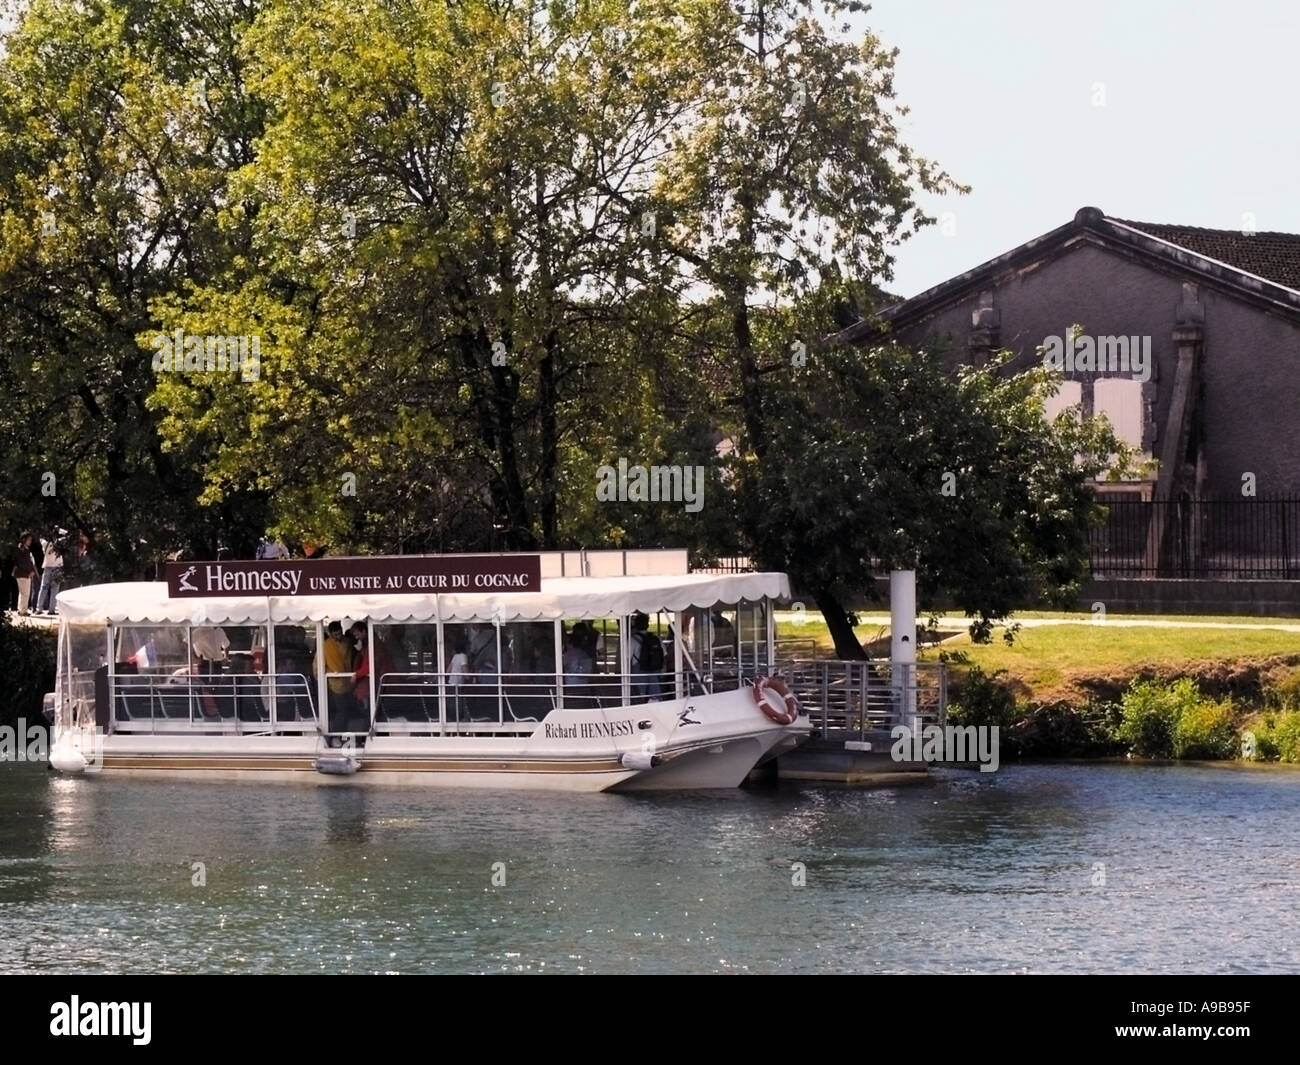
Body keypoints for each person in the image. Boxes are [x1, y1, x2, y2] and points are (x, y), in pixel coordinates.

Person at [318, 620, 355, 737]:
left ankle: (344, 734)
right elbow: (318, 664)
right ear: (330, 634)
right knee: (341, 711)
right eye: (336, 634)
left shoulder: (347, 642)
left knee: (347, 710)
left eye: (340, 633)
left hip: (348, 682)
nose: (339, 636)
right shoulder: (326, 645)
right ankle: (336, 735)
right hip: (334, 683)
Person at [351, 622, 394, 719]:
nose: (356, 638)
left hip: (379, 682)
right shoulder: (372, 644)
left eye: (357, 634)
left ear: (364, 631)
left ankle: (370, 731)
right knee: (375, 711)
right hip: (379, 682)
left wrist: (357, 674)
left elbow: (370, 665)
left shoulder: (374, 646)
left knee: (372, 712)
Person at [191, 624, 231, 720]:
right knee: (206, 687)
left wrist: (226, 656)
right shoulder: (199, 631)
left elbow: (227, 644)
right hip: (205, 662)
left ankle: (218, 710)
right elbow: (186, 643)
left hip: (217, 663)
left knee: (217, 687)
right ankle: (208, 710)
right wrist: (195, 657)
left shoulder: (219, 630)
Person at [630, 611, 665, 702]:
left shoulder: (632, 640)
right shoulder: (656, 638)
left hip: (639, 671)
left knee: (640, 696)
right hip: (654, 670)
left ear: (636, 625)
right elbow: (664, 654)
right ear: (647, 625)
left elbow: (627, 658)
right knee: (655, 696)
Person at [36, 529, 66, 614]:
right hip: (57, 567)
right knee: (55, 589)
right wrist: (59, 530)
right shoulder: (60, 543)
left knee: (43, 588)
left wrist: (51, 531)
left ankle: (39, 609)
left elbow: (40, 537)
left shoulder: (45, 543)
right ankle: (51, 610)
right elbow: (67, 535)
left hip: (47, 567)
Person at [11, 533, 36, 617]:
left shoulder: (25, 549)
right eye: (29, 539)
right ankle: (22, 611)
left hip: (24, 573)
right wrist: (30, 571)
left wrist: (31, 570)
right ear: (23, 539)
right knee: (25, 593)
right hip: (22, 573)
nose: (30, 541)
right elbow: (22, 563)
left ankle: (21, 609)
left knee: (23, 593)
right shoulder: (21, 549)